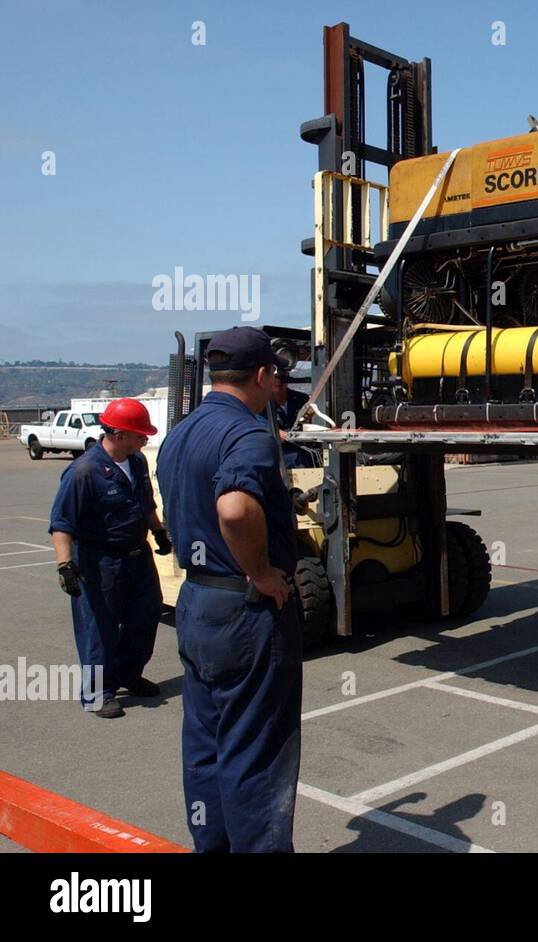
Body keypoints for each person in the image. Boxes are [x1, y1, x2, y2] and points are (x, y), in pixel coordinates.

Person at [156, 326, 302, 853]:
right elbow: (234, 508)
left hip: (197, 603)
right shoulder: (249, 435)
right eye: (275, 378)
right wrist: (261, 572)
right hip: (244, 608)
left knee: (206, 743)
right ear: (262, 375)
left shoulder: (180, 432)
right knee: (256, 752)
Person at [48, 399, 168, 718]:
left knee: (145, 614)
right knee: (98, 627)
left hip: (137, 555)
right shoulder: (83, 471)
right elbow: (61, 522)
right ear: (118, 434)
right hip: (98, 561)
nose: (145, 439)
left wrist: (158, 532)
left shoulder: (137, 462)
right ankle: (98, 693)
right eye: (140, 434)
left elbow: (145, 504)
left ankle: (128, 674)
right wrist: (65, 565)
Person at [271, 353, 314, 469]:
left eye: (282, 377)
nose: (279, 381)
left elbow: (309, 423)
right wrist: (282, 435)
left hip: (301, 447)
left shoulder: (301, 399)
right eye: (275, 377)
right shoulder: (261, 402)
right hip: (274, 451)